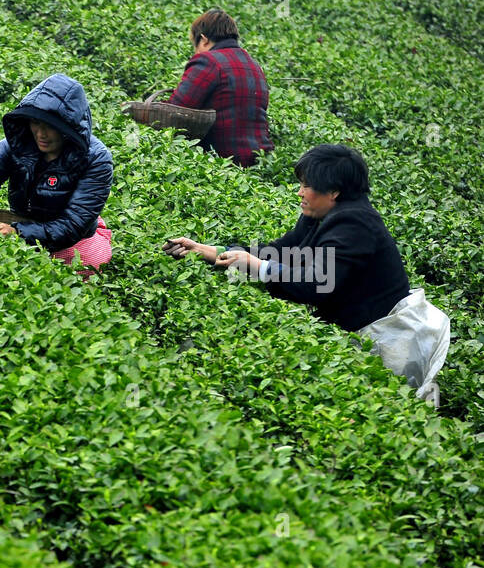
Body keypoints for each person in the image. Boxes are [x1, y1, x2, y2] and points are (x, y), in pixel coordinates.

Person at [163, 144, 450, 400]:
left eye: (306, 186)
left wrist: (259, 267)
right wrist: (207, 250)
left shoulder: (355, 224)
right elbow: (279, 251)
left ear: (334, 192)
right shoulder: (320, 213)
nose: (299, 192)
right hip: (357, 326)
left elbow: (316, 283)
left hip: (385, 337)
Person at [0, 74, 113, 271]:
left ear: (68, 128)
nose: (41, 133)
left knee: (81, 265)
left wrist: (19, 233)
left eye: (50, 126)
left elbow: (74, 224)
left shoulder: (96, 158)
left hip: (71, 238)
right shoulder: (17, 144)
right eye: (36, 123)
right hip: (22, 221)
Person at [169, 9, 273, 166]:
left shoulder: (208, 61)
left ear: (203, 40)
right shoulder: (254, 64)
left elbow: (175, 109)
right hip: (262, 159)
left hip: (225, 162)